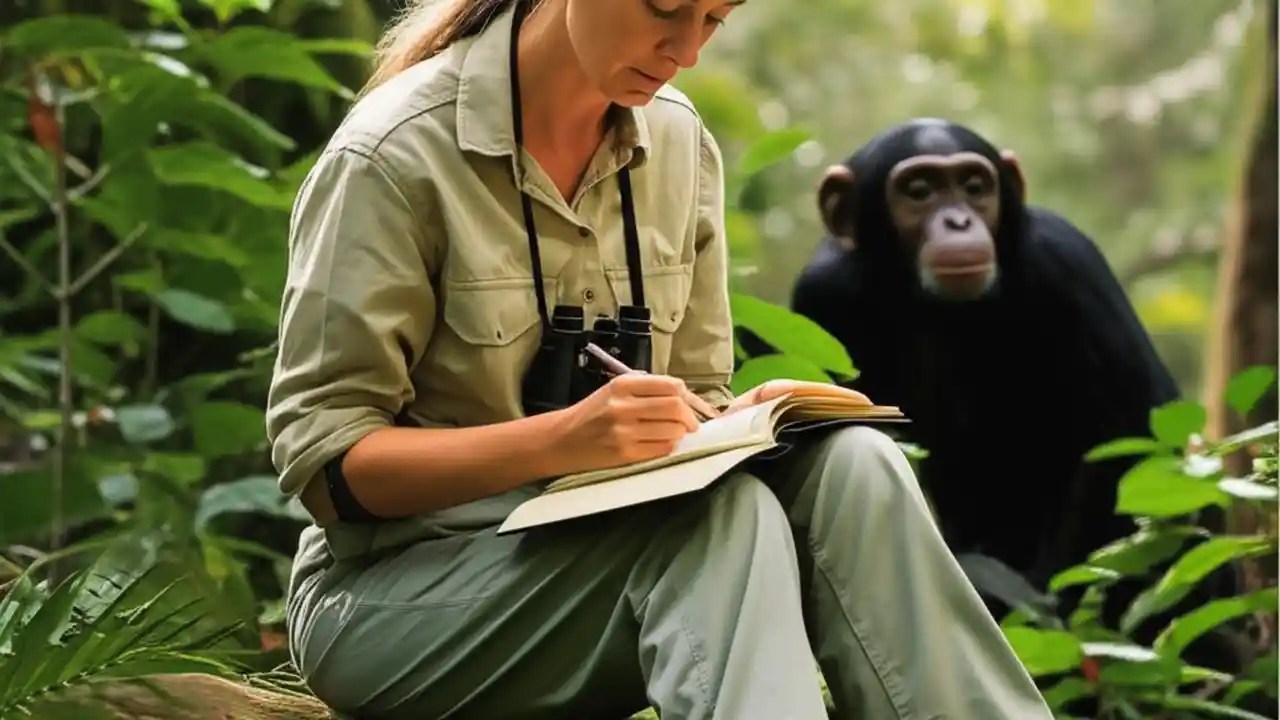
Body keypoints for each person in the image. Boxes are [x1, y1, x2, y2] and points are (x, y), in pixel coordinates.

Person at [265, 0, 1056, 717]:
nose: (686, 51)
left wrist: (729, 420)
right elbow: (329, 471)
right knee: (723, 521)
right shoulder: (392, 156)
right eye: (666, 8)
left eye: (714, 19)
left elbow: (687, 410)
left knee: (857, 465)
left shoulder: (678, 142)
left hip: (600, 553)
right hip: (396, 599)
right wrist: (561, 439)